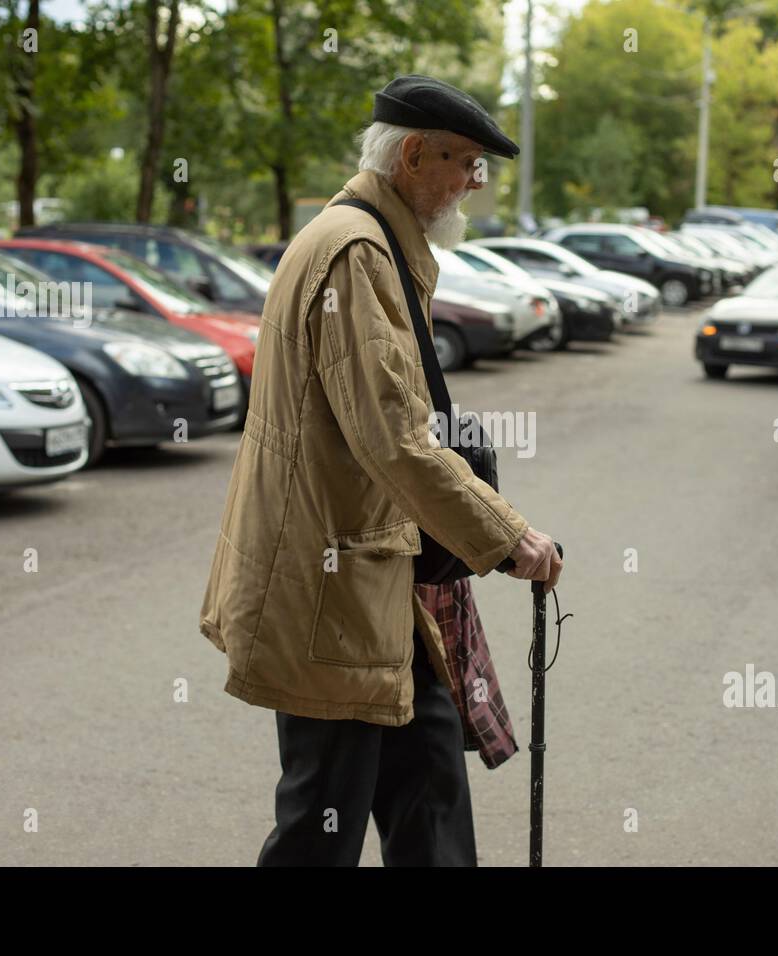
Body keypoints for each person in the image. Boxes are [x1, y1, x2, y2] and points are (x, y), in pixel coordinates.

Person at [198, 74, 562, 867]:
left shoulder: (374, 242)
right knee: (319, 831)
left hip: (379, 585)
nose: (475, 182)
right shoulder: (356, 253)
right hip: (330, 597)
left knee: (429, 796)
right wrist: (506, 538)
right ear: (411, 156)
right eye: (465, 162)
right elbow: (394, 438)